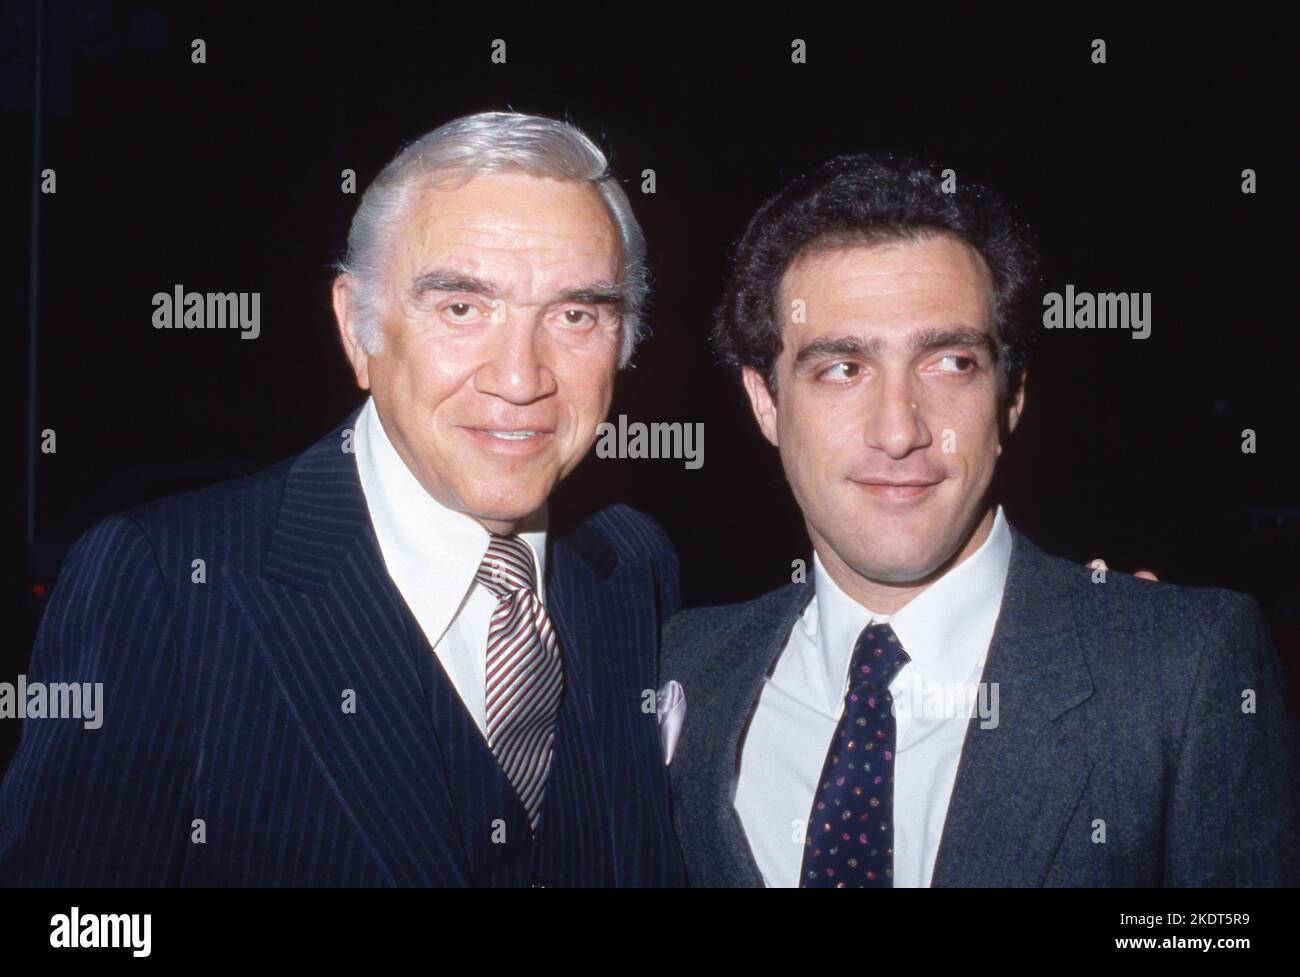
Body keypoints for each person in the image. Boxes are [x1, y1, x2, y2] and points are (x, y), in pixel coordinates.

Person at [0, 112, 684, 886]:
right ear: (358, 329)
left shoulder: (632, 563)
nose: (521, 378)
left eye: (575, 314)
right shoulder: (165, 584)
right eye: (461, 308)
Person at [662, 153, 1300, 887]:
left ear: (1011, 397)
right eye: (842, 368)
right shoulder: (680, 666)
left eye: (951, 363)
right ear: (766, 402)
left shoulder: (1180, 671)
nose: (898, 431)